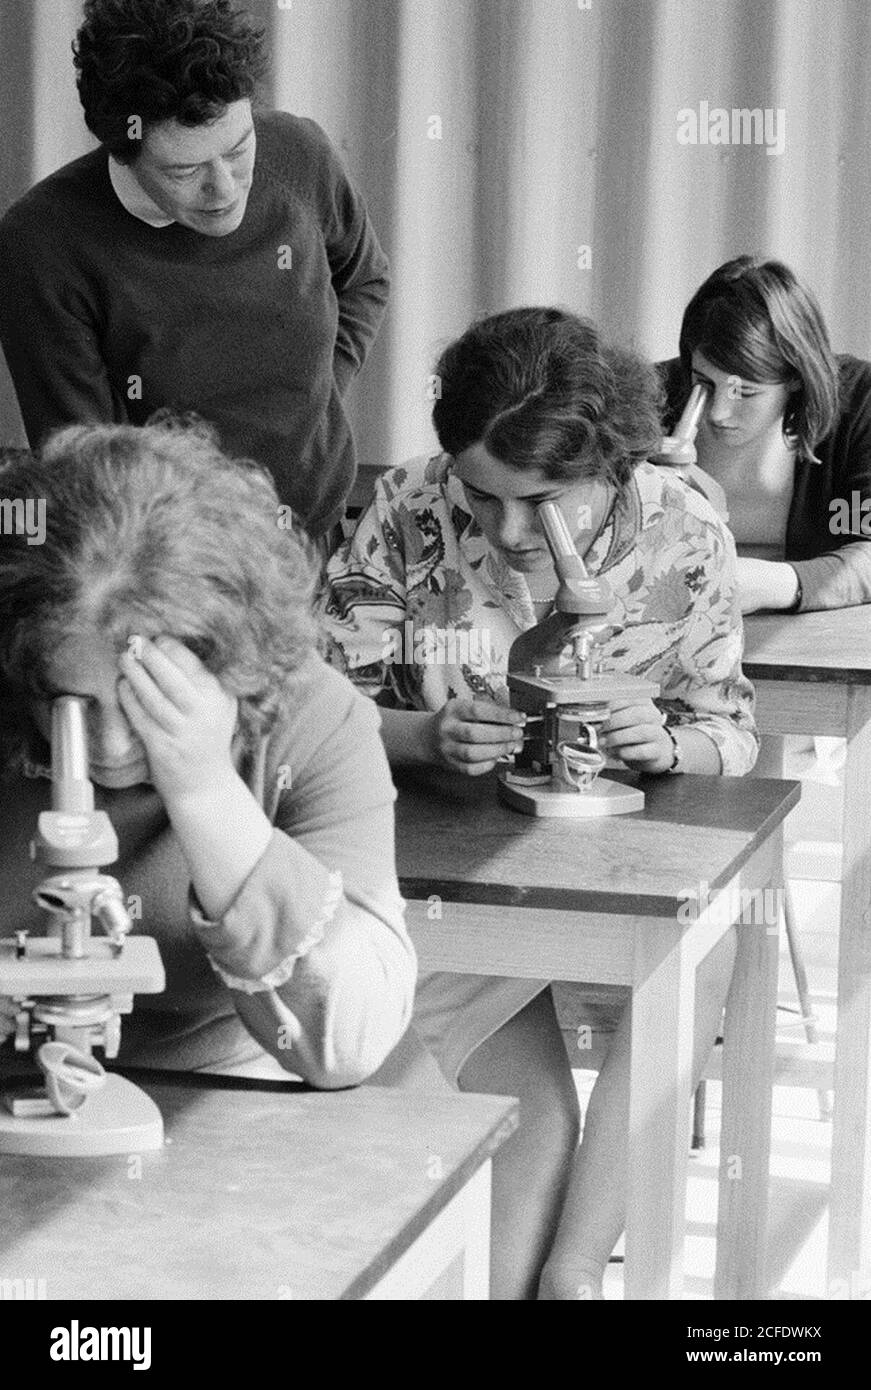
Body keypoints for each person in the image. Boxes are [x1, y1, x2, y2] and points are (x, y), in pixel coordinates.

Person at [325, 306, 759, 1298]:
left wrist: (671, 740)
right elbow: (310, 708)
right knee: (534, 1127)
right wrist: (415, 737)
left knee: (706, 950)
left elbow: (729, 725)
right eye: (484, 496)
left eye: (543, 500)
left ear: (608, 458)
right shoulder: (411, 508)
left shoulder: (683, 529)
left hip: (619, 879)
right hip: (454, 889)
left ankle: (573, 1275)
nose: (510, 531)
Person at [0, 419, 416, 1088]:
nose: (106, 748)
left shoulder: (315, 719)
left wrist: (203, 789)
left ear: (235, 663)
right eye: (67, 702)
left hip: (228, 1090)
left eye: (148, 702)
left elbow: (347, 1043)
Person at [0, 0, 390, 544]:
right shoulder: (43, 241)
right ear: (123, 148)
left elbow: (365, 280)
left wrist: (317, 392)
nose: (225, 190)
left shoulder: (302, 154)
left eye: (238, 148)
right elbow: (89, 465)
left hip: (318, 533)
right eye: (184, 169)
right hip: (178, 562)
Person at [659, 255, 871, 613]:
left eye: (746, 392)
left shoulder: (858, 404)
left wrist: (773, 584)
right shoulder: (652, 399)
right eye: (704, 383)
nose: (718, 413)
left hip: (813, 642)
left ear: (795, 377)